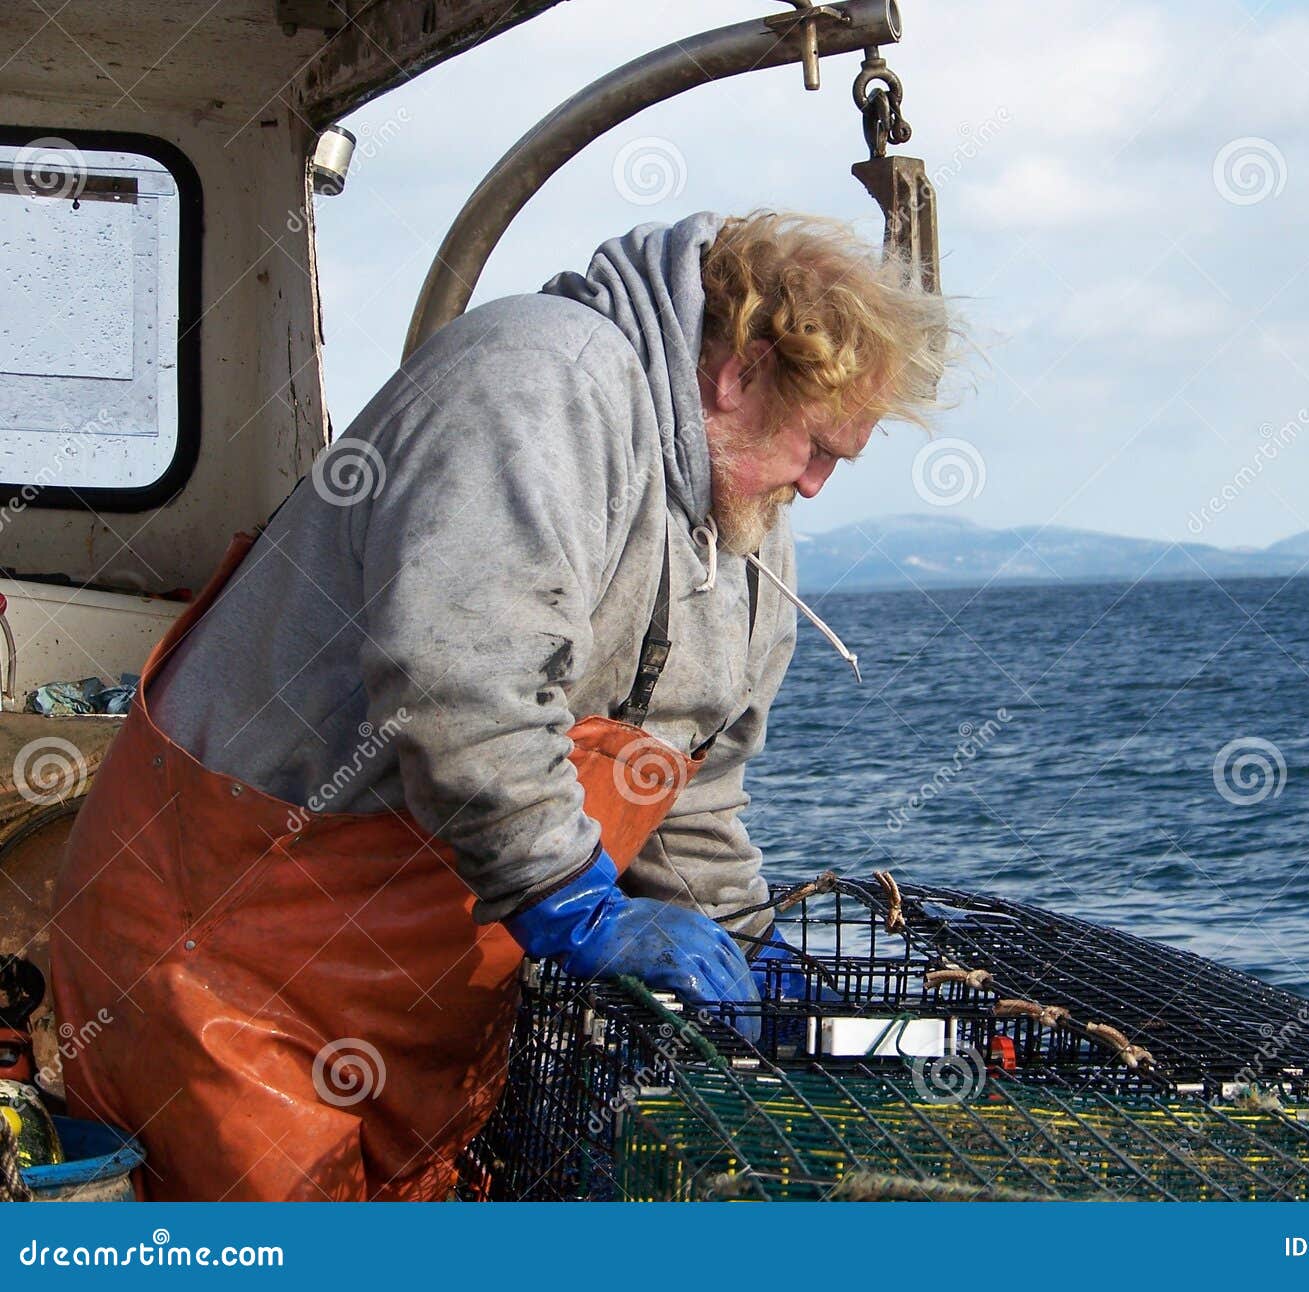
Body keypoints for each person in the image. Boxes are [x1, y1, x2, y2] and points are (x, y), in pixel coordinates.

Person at [49, 209, 952, 1201]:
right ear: (741, 370)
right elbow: (455, 683)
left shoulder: (741, 526)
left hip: (417, 985)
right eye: (818, 447)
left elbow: (685, 778)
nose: (817, 487)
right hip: (226, 942)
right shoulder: (536, 383)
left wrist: (740, 945)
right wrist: (567, 898)